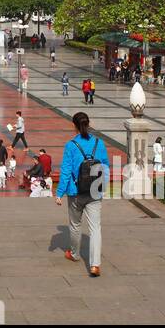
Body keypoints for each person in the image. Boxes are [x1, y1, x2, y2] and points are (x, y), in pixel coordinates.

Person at [56, 112, 108, 278]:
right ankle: (95, 265)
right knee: (95, 229)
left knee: (75, 224)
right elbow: (105, 167)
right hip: (94, 191)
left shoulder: (71, 145)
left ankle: (74, 253)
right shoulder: (99, 143)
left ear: (74, 126)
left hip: (75, 192)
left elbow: (66, 171)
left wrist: (59, 193)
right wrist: (102, 187)